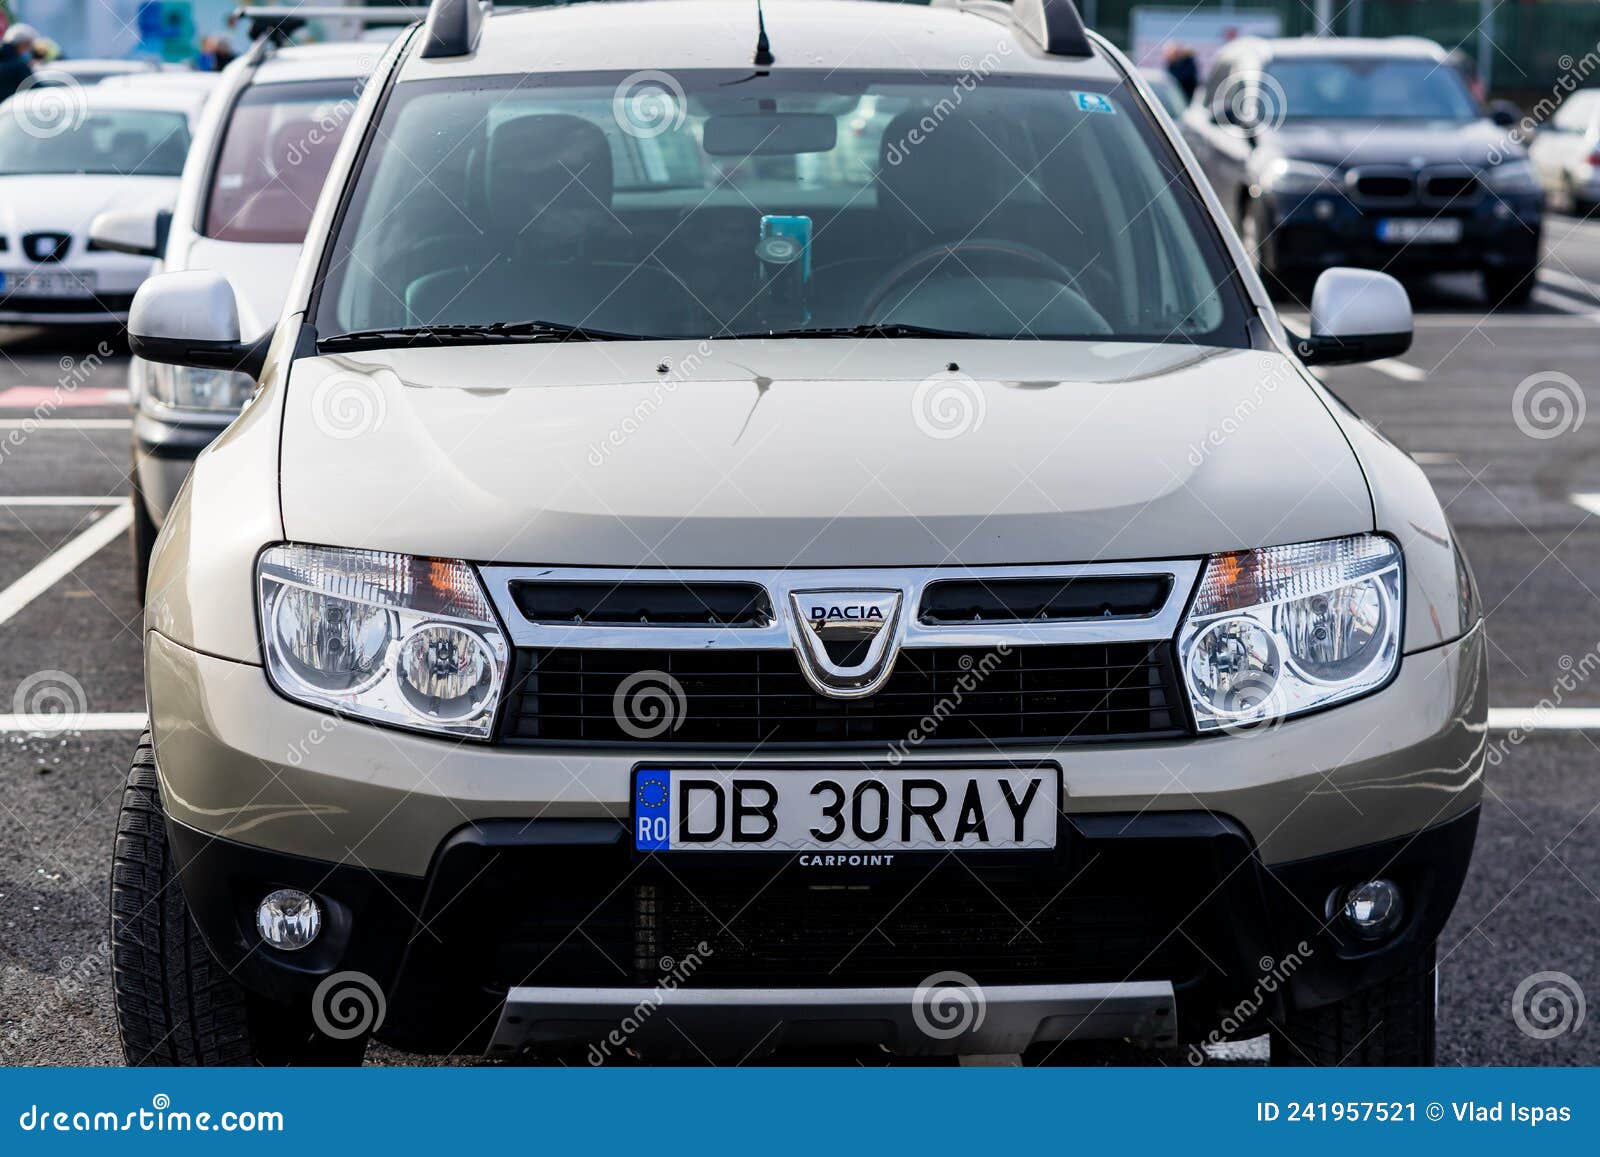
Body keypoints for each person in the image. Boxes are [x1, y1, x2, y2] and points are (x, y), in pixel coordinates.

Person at [0, 23, 37, 104]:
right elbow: (36, 90)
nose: (29, 50)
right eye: (29, 45)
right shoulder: (19, 66)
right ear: (23, 44)